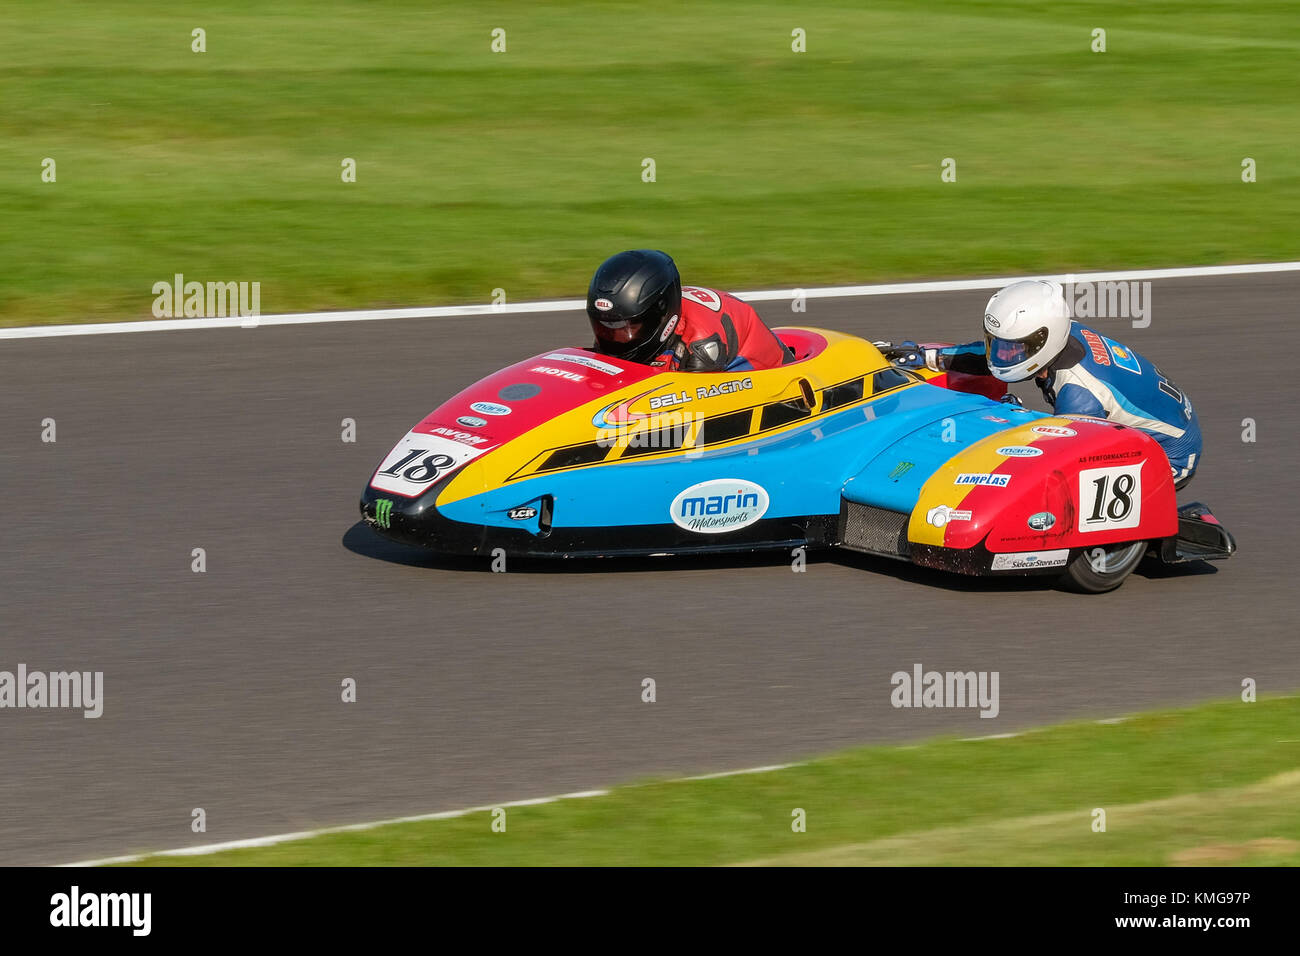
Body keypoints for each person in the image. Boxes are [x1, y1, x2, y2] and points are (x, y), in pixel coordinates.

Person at [890, 280, 1202, 488]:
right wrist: (924, 356)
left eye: (1012, 347)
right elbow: (983, 358)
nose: (1003, 354)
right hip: (1156, 419)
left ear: (1044, 341)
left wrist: (1015, 422)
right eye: (997, 344)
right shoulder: (1061, 334)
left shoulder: (1079, 393)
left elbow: (1057, 456)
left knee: (1060, 489)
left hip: (1168, 454)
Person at [586, 249, 791, 371]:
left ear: (661, 314)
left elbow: (696, 416)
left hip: (774, 383)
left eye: (626, 328)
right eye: (603, 326)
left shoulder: (702, 345)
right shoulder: (615, 335)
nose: (613, 337)